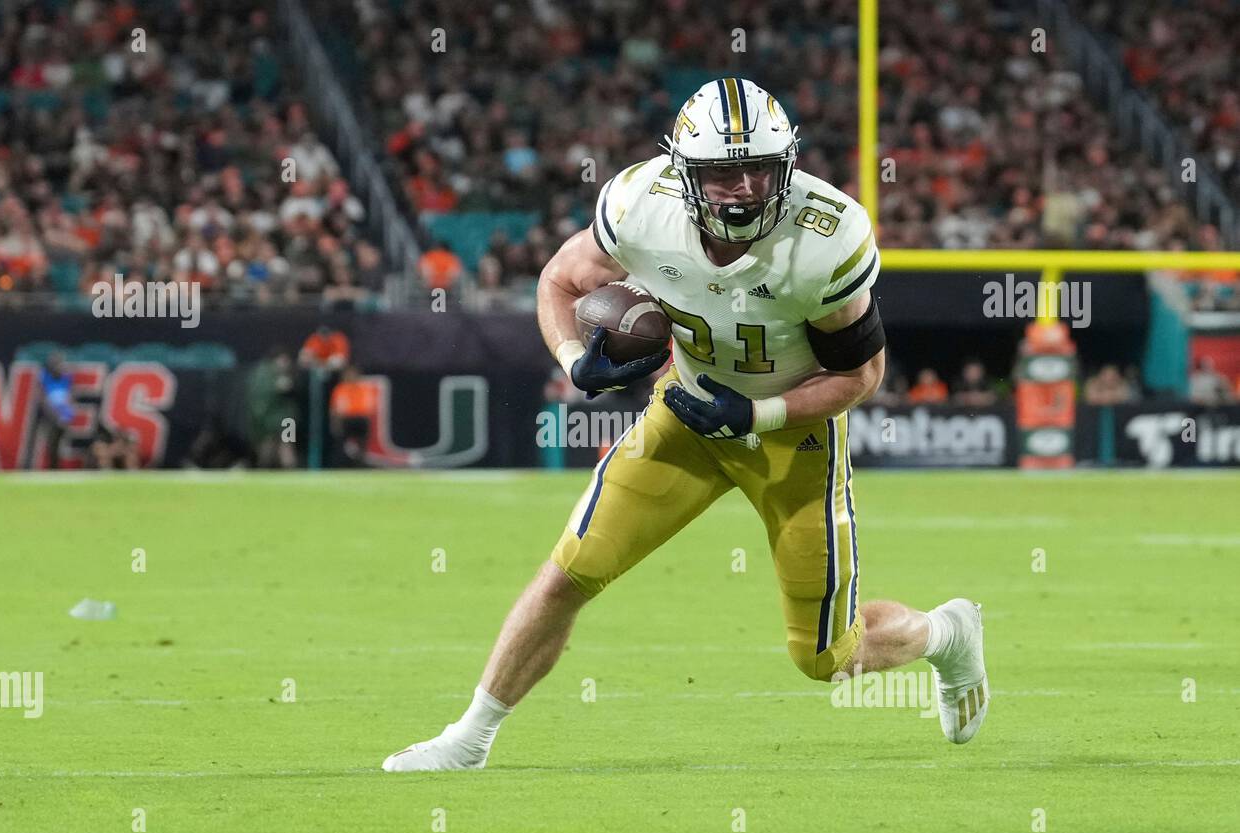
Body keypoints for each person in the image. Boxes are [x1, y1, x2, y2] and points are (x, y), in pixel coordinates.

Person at [383, 78, 988, 772]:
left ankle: (949, 632)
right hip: (686, 418)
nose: (743, 189)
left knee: (830, 658)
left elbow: (860, 377)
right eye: (722, 172)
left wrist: (756, 412)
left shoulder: (826, 237)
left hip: (793, 437)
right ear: (684, 173)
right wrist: (574, 359)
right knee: (568, 574)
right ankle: (469, 740)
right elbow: (558, 279)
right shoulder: (643, 204)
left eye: (759, 168)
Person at [38, 352, 74, 469]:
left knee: (60, 442)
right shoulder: (45, 377)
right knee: (51, 442)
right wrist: (53, 414)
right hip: (50, 414)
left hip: (63, 413)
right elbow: (43, 398)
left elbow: (69, 397)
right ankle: (52, 466)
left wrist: (67, 414)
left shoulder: (66, 378)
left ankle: (57, 466)